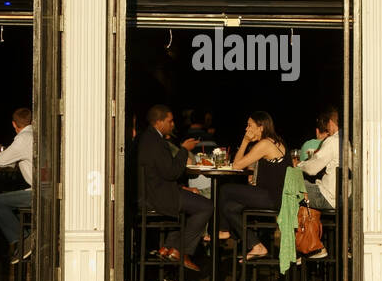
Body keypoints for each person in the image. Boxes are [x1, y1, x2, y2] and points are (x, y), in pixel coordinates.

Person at [138, 104, 211, 271]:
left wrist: (184, 189)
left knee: (192, 200)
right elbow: (172, 172)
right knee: (206, 206)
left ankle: (168, 247)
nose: (173, 125)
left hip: (155, 192)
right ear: (159, 122)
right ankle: (181, 250)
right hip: (158, 198)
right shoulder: (156, 142)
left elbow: (160, 174)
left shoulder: (148, 138)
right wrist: (184, 150)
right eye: (170, 121)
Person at [216, 111, 288, 261]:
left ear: (260, 127)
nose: (246, 129)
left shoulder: (265, 144)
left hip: (272, 198)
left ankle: (223, 230)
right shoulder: (276, 141)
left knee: (225, 190)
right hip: (275, 196)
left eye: (249, 125)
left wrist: (245, 141)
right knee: (229, 208)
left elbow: (236, 165)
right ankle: (256, 245)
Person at [0, 107, 35, 264]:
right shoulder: (36, 134)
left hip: (37, 194)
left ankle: (24, 238)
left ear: (14, 124)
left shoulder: (23, 138)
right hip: (43, 189)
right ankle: (25, 239)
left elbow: (1, 161)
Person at [298, 105, 340, 212]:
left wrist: (298, 164)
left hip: (329, 197)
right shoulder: (347, 140)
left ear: (330, 122)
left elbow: (312, 169)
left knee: (290, 186)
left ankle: (289, 227)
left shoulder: (332, 141)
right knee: (305, 185)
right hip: (343, 196)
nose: (327, 129)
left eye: (326, 126)